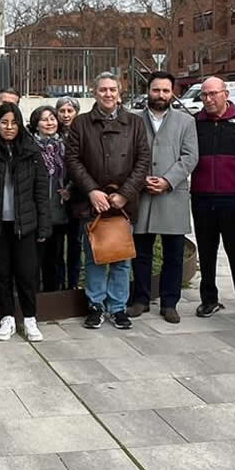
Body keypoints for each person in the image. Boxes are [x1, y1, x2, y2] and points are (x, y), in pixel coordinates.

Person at [66, 72, 151, 330]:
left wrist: (125, 193)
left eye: (112, 89)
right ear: (95, 93)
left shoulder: (135, 123)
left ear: (120, 92)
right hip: (92, 203)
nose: (108, 94)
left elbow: (143, 160)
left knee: (121, 257)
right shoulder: (81, 124)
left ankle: (118, 307)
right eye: (103, 89)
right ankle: (95, 306)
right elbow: (72, 160)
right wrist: (92, 190)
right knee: (95, 257)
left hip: (122, 204)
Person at [190, 77, 235, 323]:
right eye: (204, 95)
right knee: (207, 252)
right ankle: (209, 299)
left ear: (225, 93)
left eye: (213, 94)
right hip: (202, 197)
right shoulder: (196, 123)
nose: (208, 99)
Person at [131, 72, 198, 324]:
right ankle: (140, 299)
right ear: (148, 91)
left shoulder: (185, 121)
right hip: (142, 195)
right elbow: (126, 155)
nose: (160, 95)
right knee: (141, 253)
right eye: (156, 90)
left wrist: (168, 180)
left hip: (172, 195)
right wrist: (141, 180)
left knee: (173, 254)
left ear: (173, 93)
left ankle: (170, 303)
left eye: (166, 91)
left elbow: (190, 156)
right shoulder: (133, 120)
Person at [0, 102, 50, 341]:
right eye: (4, 122)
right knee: (1, 272)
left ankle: (30, 318)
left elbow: (41, 190)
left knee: (27, 273)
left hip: (26, 224)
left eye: (14, 123)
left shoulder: (31, 151)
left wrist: (43, 224)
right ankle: (7, 317)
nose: (9, 127)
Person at [29, 106, 72, 292]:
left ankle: (53, 293)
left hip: (59, 209)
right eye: (44, 119)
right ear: (36, 124)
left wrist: (70, 188)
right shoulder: (29, 148)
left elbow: (74, 173)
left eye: (52, 118)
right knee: (34, 257)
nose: (50, 123)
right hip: (36, 211)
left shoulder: (65, 146)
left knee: (55, 257)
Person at [53, 96, 83, 290]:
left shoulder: (82, 133)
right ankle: (57, 282)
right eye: (62, 111)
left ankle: (72, 283)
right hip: (55, 196)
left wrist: (71, 188)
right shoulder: (51, 133)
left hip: (76, 195)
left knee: (75, 243)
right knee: (56, 246)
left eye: (69, 111)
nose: (65, 115)